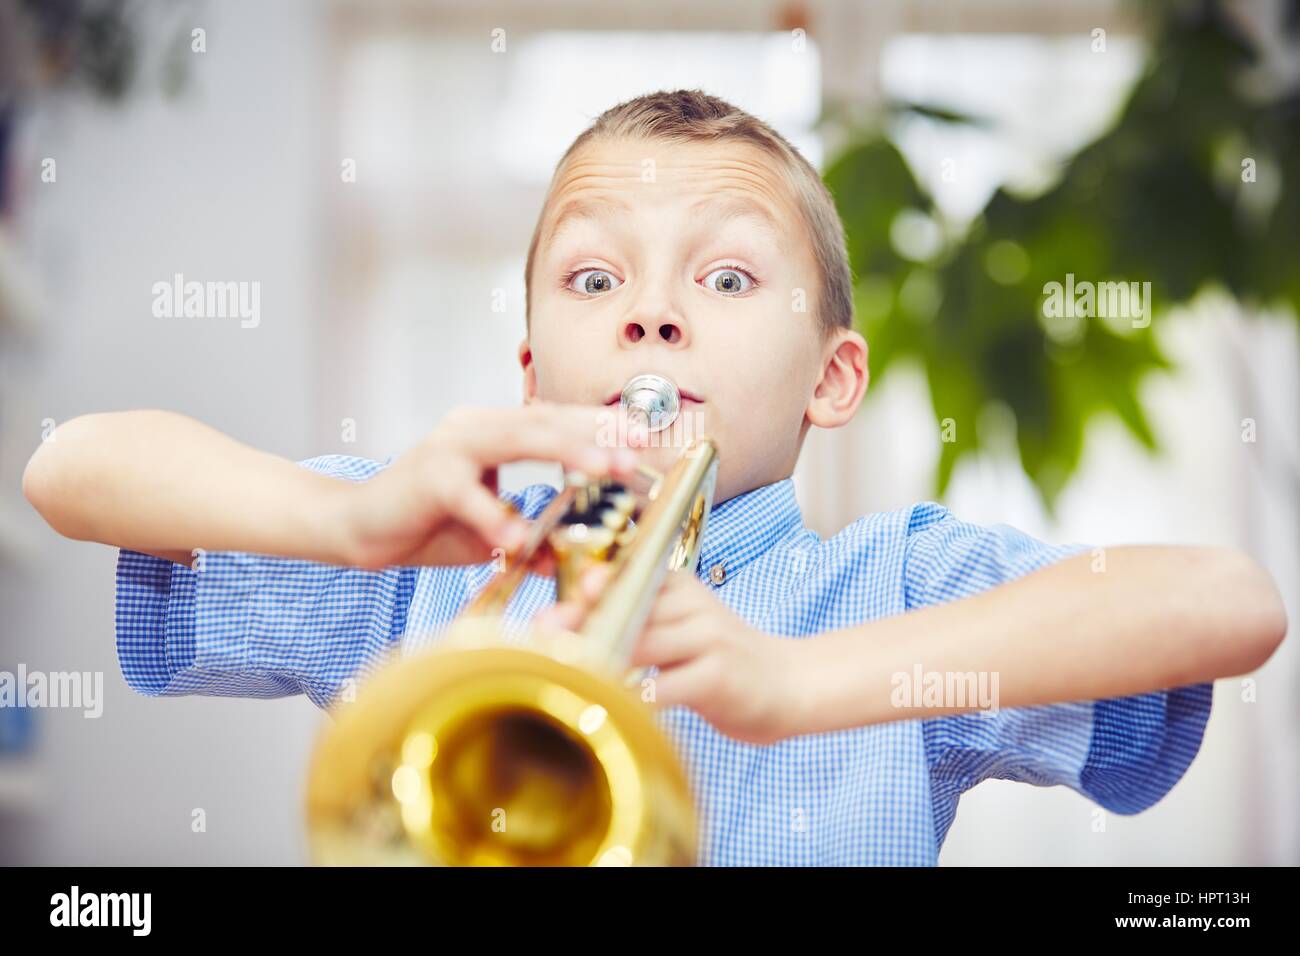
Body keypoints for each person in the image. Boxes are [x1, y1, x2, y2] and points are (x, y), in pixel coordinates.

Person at [23, 89, 1287, 865]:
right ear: (533, 370)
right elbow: (70, 468)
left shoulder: (895, 581)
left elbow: (1229, 602)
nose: (651, 316)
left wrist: (794, 679)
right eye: (593, 278)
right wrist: (349, 519)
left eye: (726, 278)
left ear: (830, 379)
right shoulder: (433, 552)